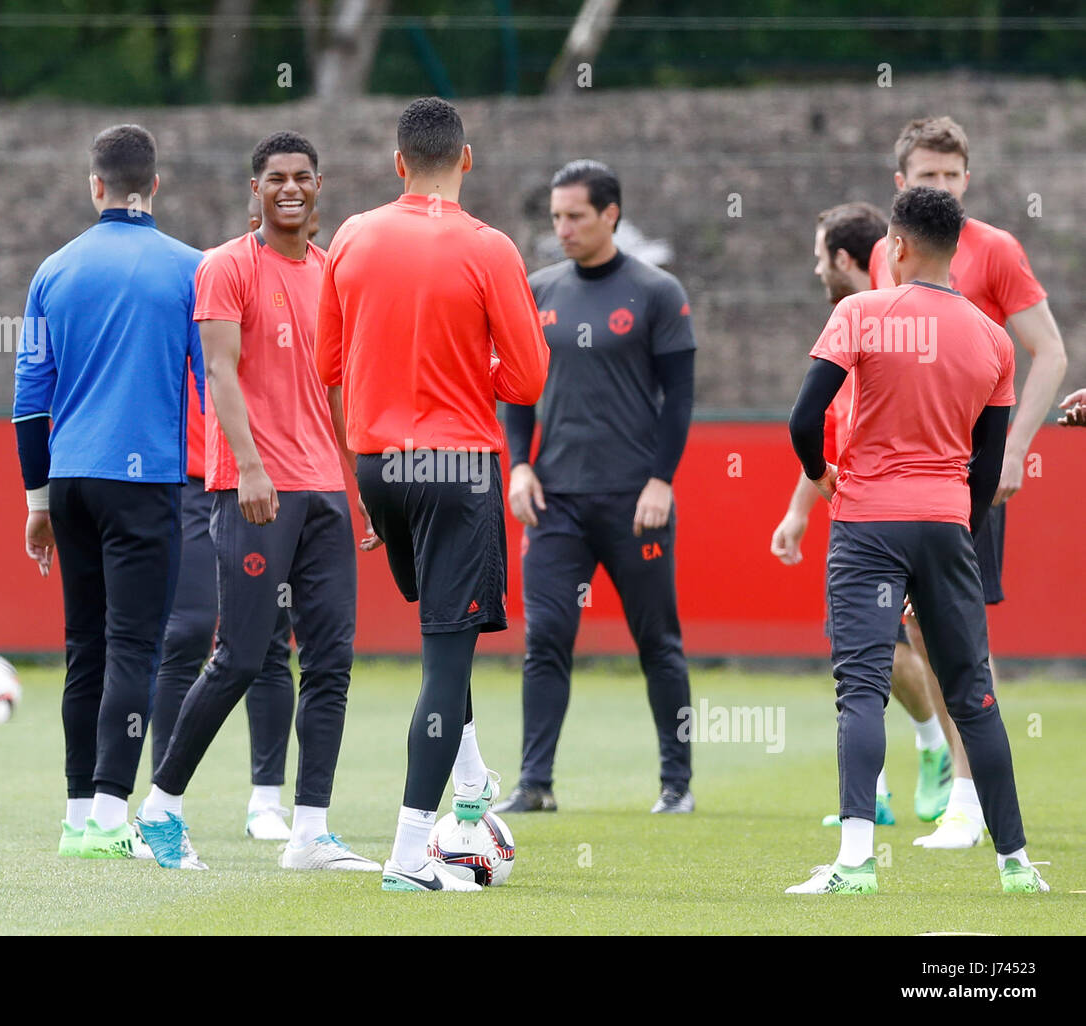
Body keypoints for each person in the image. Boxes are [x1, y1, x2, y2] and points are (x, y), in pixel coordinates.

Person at [315, 97, 550, 892]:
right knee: (447, 655)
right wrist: (466, 371)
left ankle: (473, 781)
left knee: (441, 637)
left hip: (381, 468)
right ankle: (410, 853)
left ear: (397, 162)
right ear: (468, 160)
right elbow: (527, 378)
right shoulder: (489, 247)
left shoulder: (349, 235)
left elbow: (329, 365)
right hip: (457, 468)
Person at [785, 186, 1047, 894]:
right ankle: (1016, 866)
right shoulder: (993, 339)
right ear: (958, 249)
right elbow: (988, 468)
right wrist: (955, 530)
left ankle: (854, 865)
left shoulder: (860, 312)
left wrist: (822, 474)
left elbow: (804, 421)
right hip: (945, 522)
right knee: (973, 693)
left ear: (895, 247)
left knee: (862, 690)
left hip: (869, 522)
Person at [136, 131, 378, 872]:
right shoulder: (224, 267)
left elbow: (338, 389)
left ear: (319, 184)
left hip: (326, 492)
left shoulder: (334, 271)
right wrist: (248, 466)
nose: (291, 189)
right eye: (276, 178)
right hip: (255, 490)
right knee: (240, 656)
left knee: (331, 661)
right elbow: (220, 372)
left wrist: (359, 487)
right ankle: (160, 810)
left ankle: (309, 832)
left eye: (303, 177)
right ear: (256, 188)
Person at [867, 117, 1068, 849]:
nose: (942, 188)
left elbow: (1049, 352)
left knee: (958, 634)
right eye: (928, 176)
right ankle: (944, 782)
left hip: (964, 473)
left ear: (968, 180)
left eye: (953, 177)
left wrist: (1014, 448)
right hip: (892, 481)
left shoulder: (995, 250)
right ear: (901, 183)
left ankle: (967, 797)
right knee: (907, 634)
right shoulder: (883, 255)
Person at [13, 124, 206, 859]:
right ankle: (107, 815)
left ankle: (74, 817)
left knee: (83, 646)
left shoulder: (53, 271)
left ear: (95, 186)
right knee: (135, 647)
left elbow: (31, 397)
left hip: (68, 482)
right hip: (145, 480)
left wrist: (36, 502)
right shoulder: (190, 268)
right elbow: (210, 384)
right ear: (153, 186)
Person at [493, 159, 697, 816]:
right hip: (555, 502)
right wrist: (519, 464)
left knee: (657, 640)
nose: (563, 228)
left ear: (611, 215)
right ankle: (535, 784)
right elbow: (518, 389)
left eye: (575, 216)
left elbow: (679, 398)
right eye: (556, 217)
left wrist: (661, 481)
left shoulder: (657, 292)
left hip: (636, 502)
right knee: (544, 638)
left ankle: (676, 783)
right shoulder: (539, 289)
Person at [148, 192, 326, 844]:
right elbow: (204, 375)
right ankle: (162, 797)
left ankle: (266, 801)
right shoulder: (216, 278)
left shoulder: (304, 282)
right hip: (202, 480)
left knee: (272, 642)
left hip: (276, 480)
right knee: (194, 633)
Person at [770, 202, 952, 827]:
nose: (815, 267)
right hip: (875, 508)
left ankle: (943, 770)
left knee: (895, 650)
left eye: (820, 255)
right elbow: (825, 431)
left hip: (888, 515)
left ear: (844, 260)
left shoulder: (873, 323)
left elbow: (809, 425)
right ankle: (883, 791)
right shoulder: (858, 323)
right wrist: (801, 508)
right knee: (865, 652)